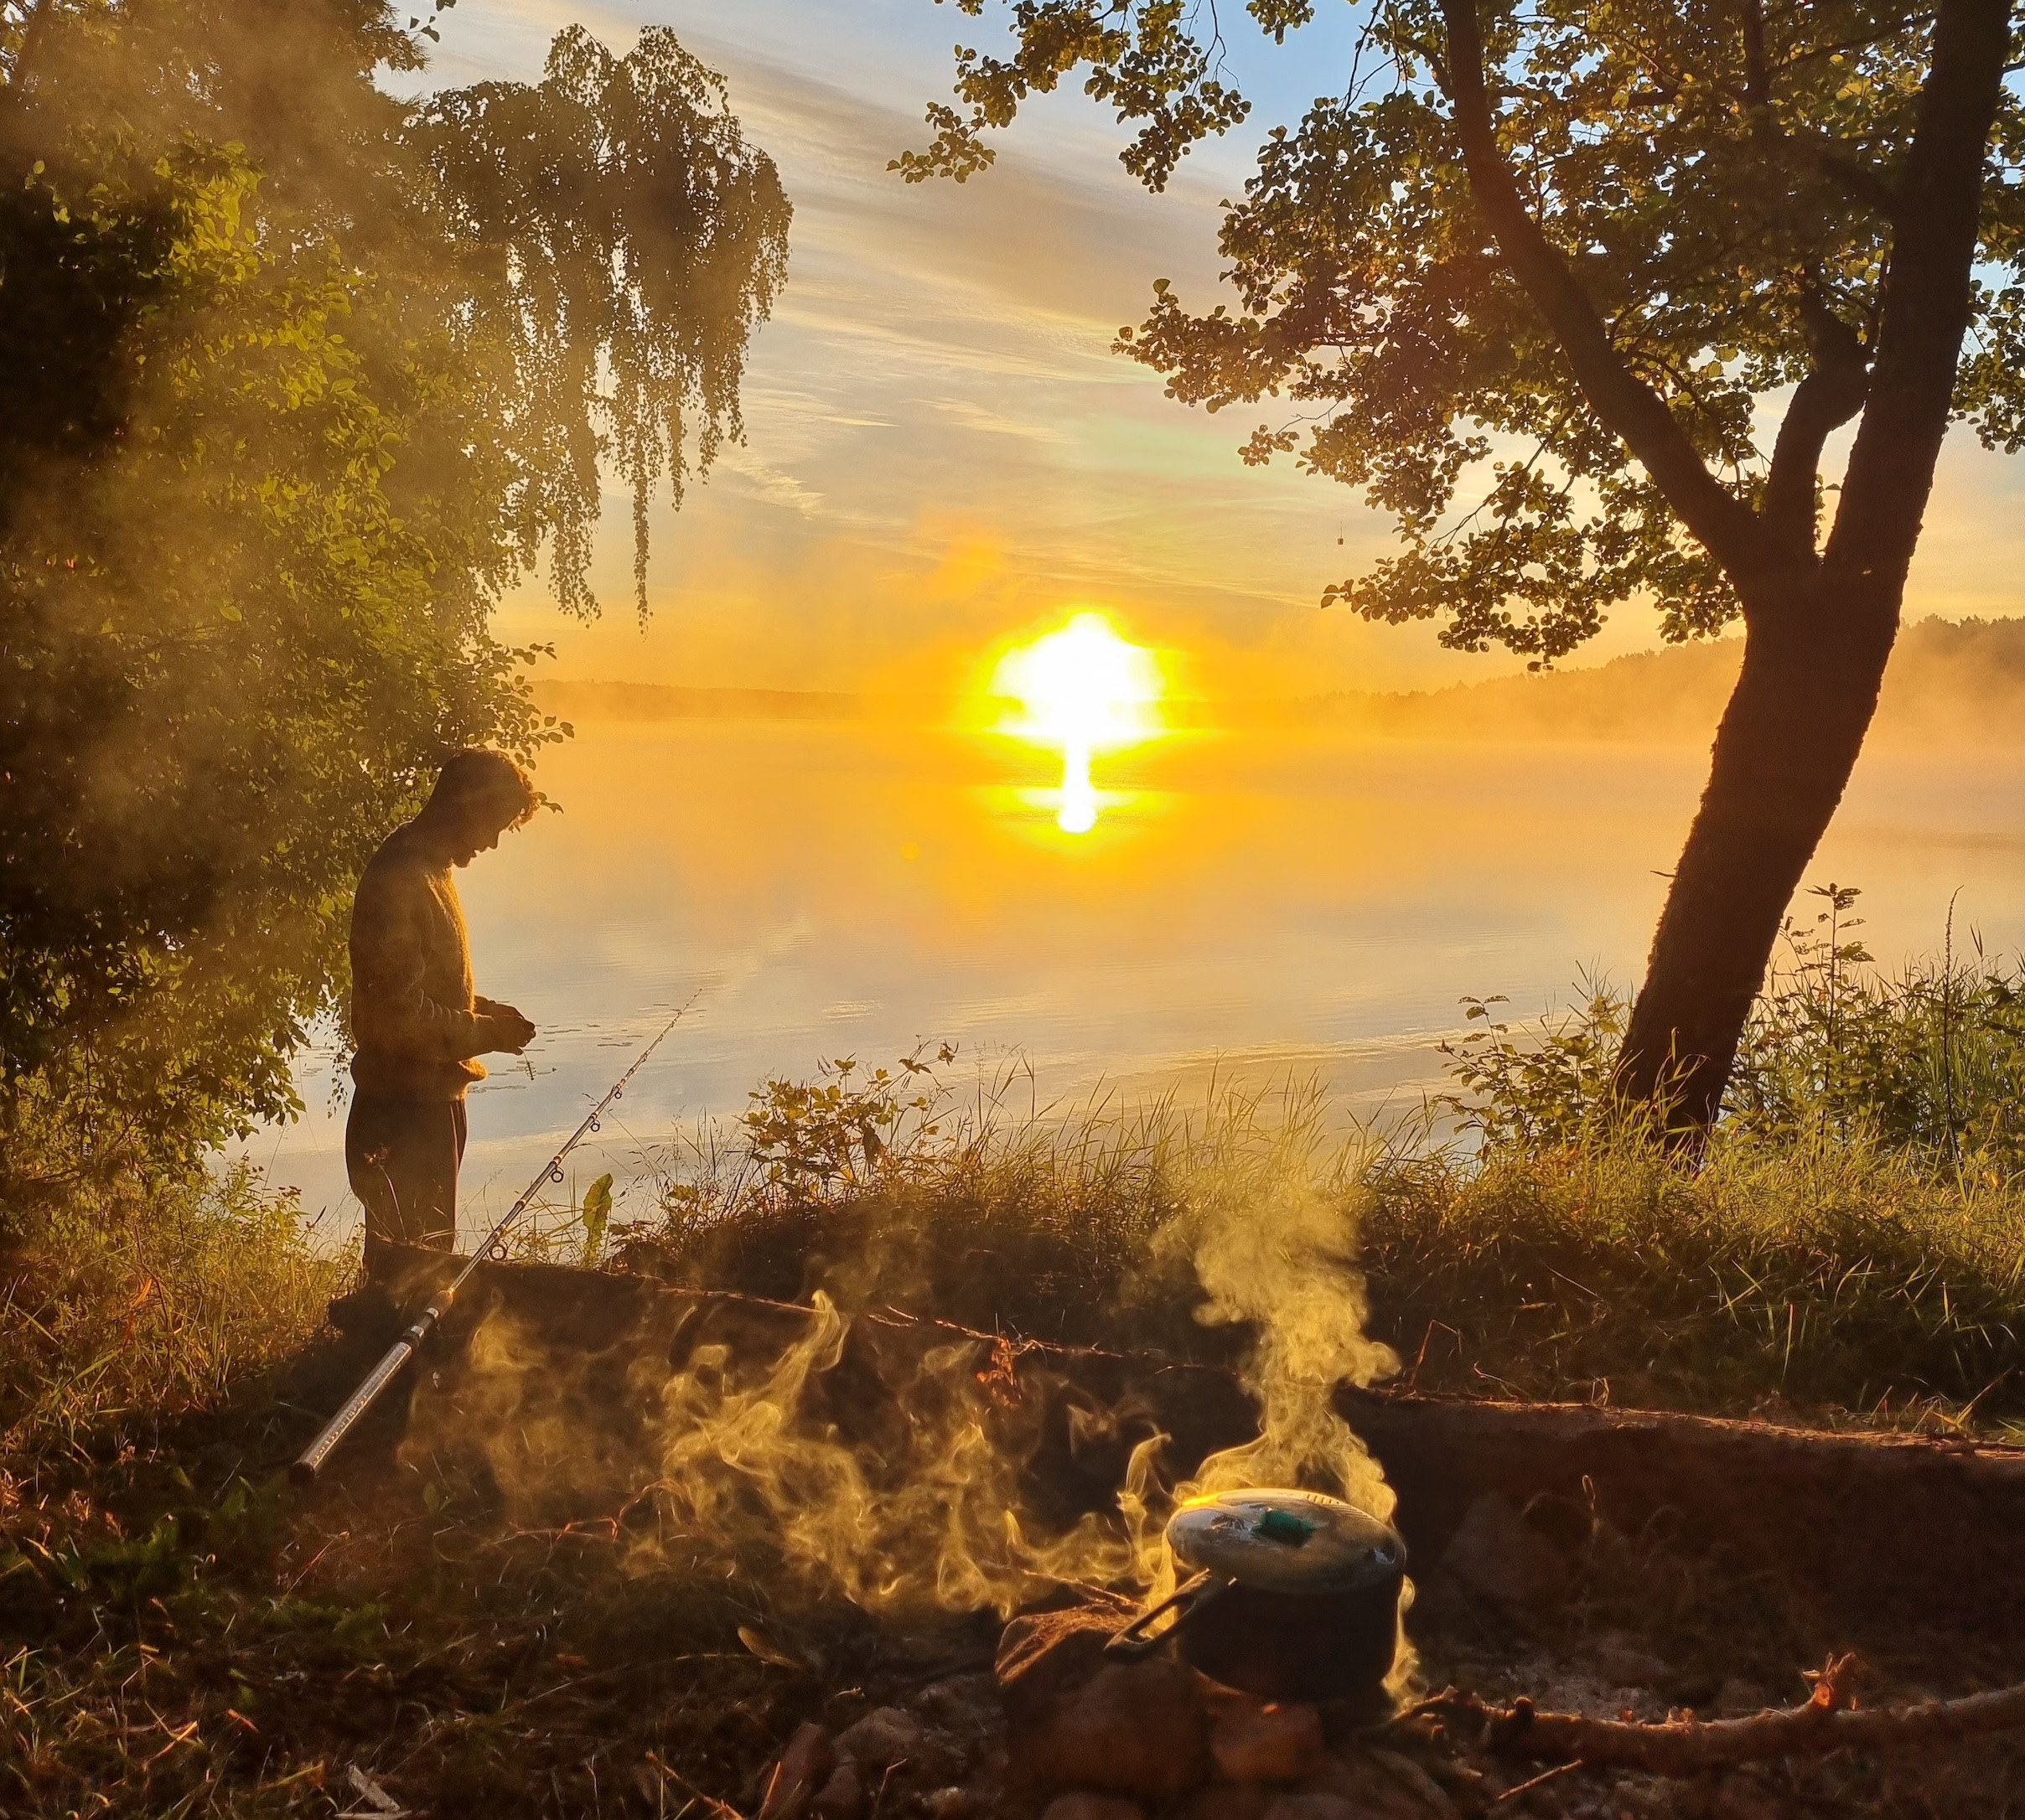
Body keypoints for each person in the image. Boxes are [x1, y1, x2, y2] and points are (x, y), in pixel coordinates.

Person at [346, 748, 541, 1274]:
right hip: (404, 1111)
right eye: (492, 825)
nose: (492, 841)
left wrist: (485, 1010)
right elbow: (399, 1018)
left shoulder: (432, 870)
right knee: (411, 1277)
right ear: (464, 806)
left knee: (425, 1266)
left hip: (429, 1102)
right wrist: (487, 1033)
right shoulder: (401, 877)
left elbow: (420, 985)